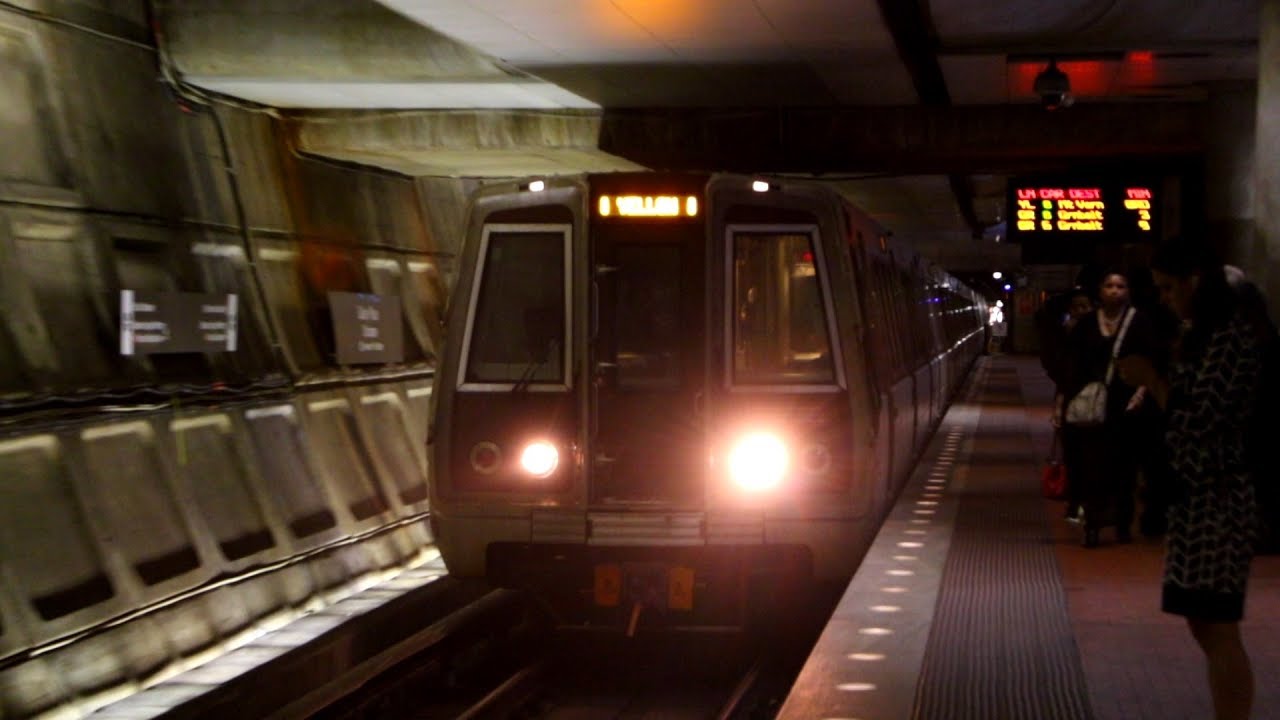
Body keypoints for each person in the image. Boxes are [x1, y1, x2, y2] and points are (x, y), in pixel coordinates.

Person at [1117, 239, 1262, 720]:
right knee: (1204, 622)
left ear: (1194, 281)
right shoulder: (1204, 331)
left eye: (1167, 287)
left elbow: (1202, 419)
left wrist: (1153, 382)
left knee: (1219, 626)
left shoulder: (1230, 337)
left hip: (1218, 500)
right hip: (1196, 499)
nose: (1164, 298)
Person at [1056, 270, 1158, 547]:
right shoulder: (1087, 324)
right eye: (1109, 285)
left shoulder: (1140, 322)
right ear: (1100, 290)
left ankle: (1123, 521)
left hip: (1127, 406)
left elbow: (1151, 360)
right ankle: (1092, 518)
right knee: (1091, 465)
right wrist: (1063, 401)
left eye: (1120, 286)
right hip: (1090, 404)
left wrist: (1141, 392)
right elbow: (1071, 364)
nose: (1115, 291)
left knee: (1125, 464)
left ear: (1128, 291)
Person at [1045, 287, 1094, 522]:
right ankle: (1075, 500)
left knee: (1093, 453)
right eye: (1078, 307)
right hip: (1071, 399)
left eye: (1086, 306)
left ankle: (1088, 500)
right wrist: (1059, 405)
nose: (1083, 311)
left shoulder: (1102, 334)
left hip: (1097, 401)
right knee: (1073, 452)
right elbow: (1058, 369)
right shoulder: (1063, 335)